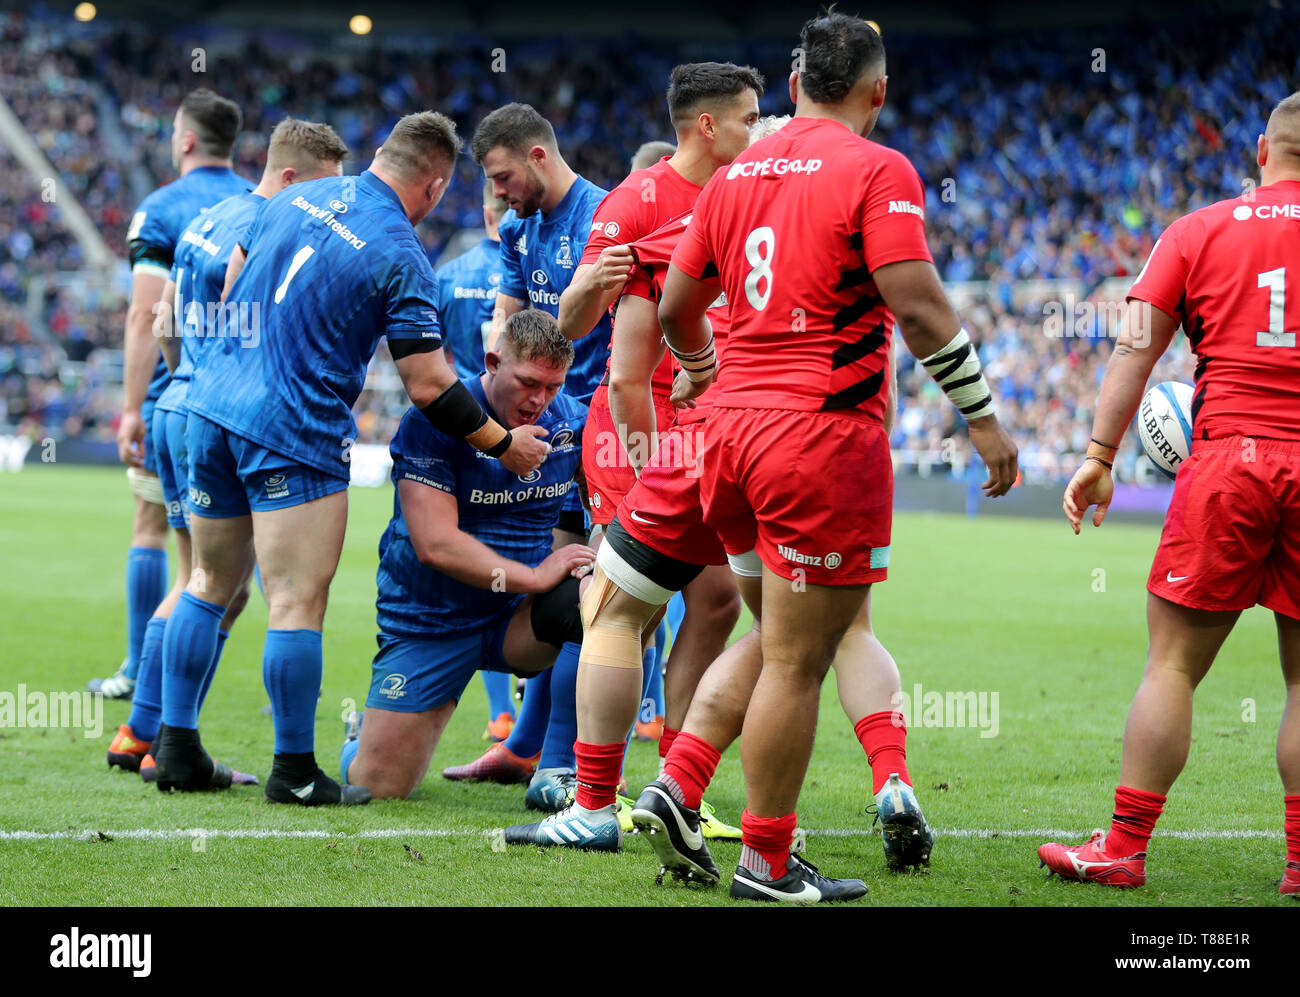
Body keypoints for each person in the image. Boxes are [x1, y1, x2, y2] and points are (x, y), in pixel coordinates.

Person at [657, 13, 1017, 902]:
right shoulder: (877, 168)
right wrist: (982, 419)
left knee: (783, 635)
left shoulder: (738, 173)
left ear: (791, 87)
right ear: (877, 91)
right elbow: (922, 309)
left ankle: (678, 780)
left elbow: (674, 304)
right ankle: (767, 863)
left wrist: (707, 373)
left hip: (730, 437)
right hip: (817, 436)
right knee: (800, 657)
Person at [159, 111, 549, 805]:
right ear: (433, 187)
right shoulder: (400, 250)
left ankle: (176, 745)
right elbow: (429, 383)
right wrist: (501, 443)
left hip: (210, 406)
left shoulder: (289, 195)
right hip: (292, 429)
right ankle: (295, 771)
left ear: (377, 155)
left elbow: (231, 280)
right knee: (295, 599)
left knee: (208, 579)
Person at [1039, 91, 1300, 896]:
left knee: (1174, 665)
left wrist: (1096, 455)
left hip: (1229, 461)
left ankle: (1123, 844)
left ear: (1263, 149)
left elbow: (1134, 346)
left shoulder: (1198, 229)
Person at [117, 119, 349, 787]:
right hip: (230, 413)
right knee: (234, 588)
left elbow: (162, 320)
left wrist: (174, 381)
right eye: (326, 186)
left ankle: (161, 735)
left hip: (178, 403)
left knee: (204, 582)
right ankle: (151, 730)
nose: (330, 204)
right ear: (294, 176)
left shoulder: (206, 216)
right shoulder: (273, 228)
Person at [340, 310, 592, 799]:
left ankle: (558, 771)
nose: (539, 400)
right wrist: (536, 577)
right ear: (493, 361)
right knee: (378, 785)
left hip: (515, 620)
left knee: (607, 601)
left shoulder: (573, 425)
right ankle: (361, 737)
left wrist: (594, 552)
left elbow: (610, 503)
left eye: (553, 386)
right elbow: (436, 546)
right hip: (432, 621)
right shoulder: (433, 423)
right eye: (528, 382)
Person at [440, 103, 612, 809]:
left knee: (600, 597)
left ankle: (572, 763)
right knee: (555, 589)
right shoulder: (518, 230)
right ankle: (528, 749)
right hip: (540, 432)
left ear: (538, 154)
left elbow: (589, 323)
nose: (501, 194)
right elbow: (507, 333)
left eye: (506, 176)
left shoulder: (604, 217)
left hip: (604, 432)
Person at [95, 89, 252, 710]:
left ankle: (143, 678)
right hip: (247, 407)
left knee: (160, 533)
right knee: (239, 563)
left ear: (185, 139)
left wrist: (132, 407)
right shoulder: (253, 204)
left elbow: (145, 316)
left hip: (176, 399)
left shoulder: (162, 208)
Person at [432, 181, 516, 740]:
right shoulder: (535, 276)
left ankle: (498, 713)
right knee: (540, 554)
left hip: (466, 427)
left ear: (485, 211)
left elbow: (430, 360)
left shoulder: (447, 275)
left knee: (480, 567)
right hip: (529, 428)